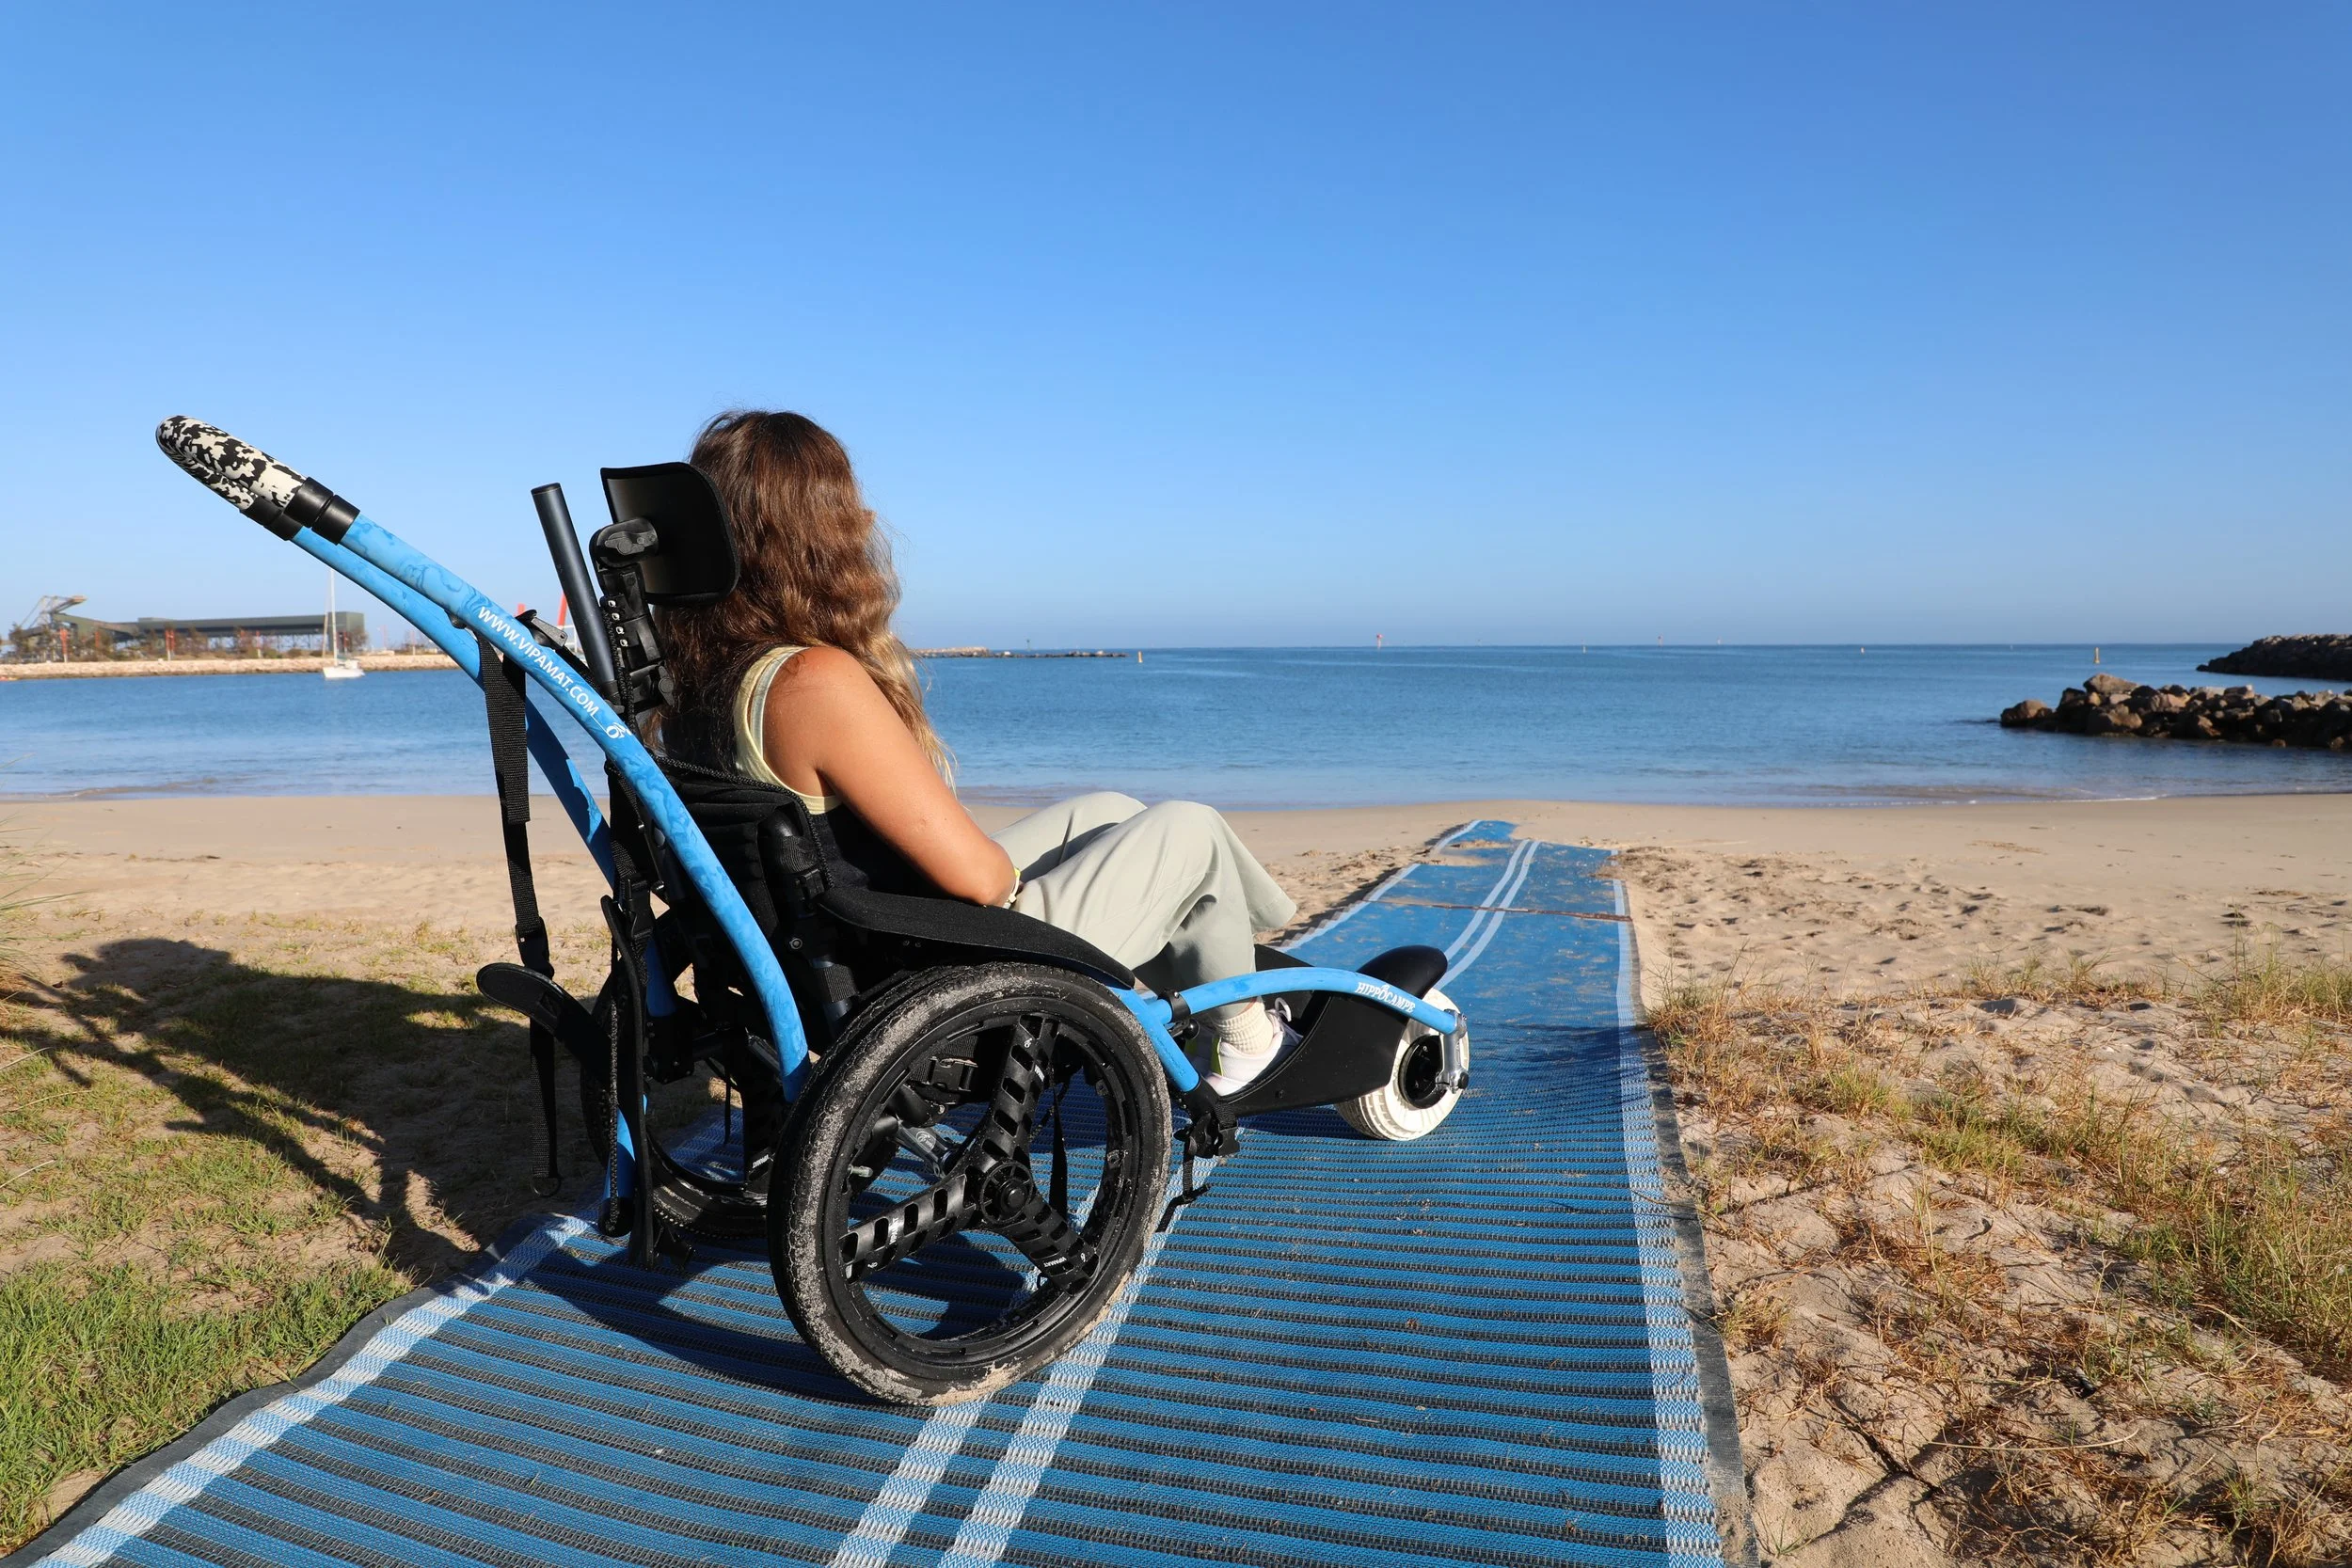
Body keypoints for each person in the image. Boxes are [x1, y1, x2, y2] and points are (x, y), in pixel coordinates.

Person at [657, 409, 1298, 1093]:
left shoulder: (703, 684)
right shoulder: (813, 683)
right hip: (939, 987)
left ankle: (1228, 966)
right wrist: (999, 870)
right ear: (817, 536)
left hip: (851, 949)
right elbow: (982, 881)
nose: (868, 520)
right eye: (848, 510)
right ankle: (1247, 1037)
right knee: (1188, 831)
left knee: (1109, 814)